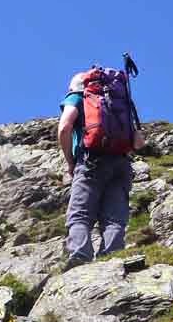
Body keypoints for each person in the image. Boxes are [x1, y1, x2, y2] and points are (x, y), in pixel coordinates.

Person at [57, 70, 146, 268]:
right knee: (114, 219)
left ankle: (80, 256)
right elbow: (139, 144)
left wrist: (71, 162)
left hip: (91, 161)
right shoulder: (120, 103)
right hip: (121, 165)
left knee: (79, 214)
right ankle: (112, 260)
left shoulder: (78, 97)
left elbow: (64, 128)